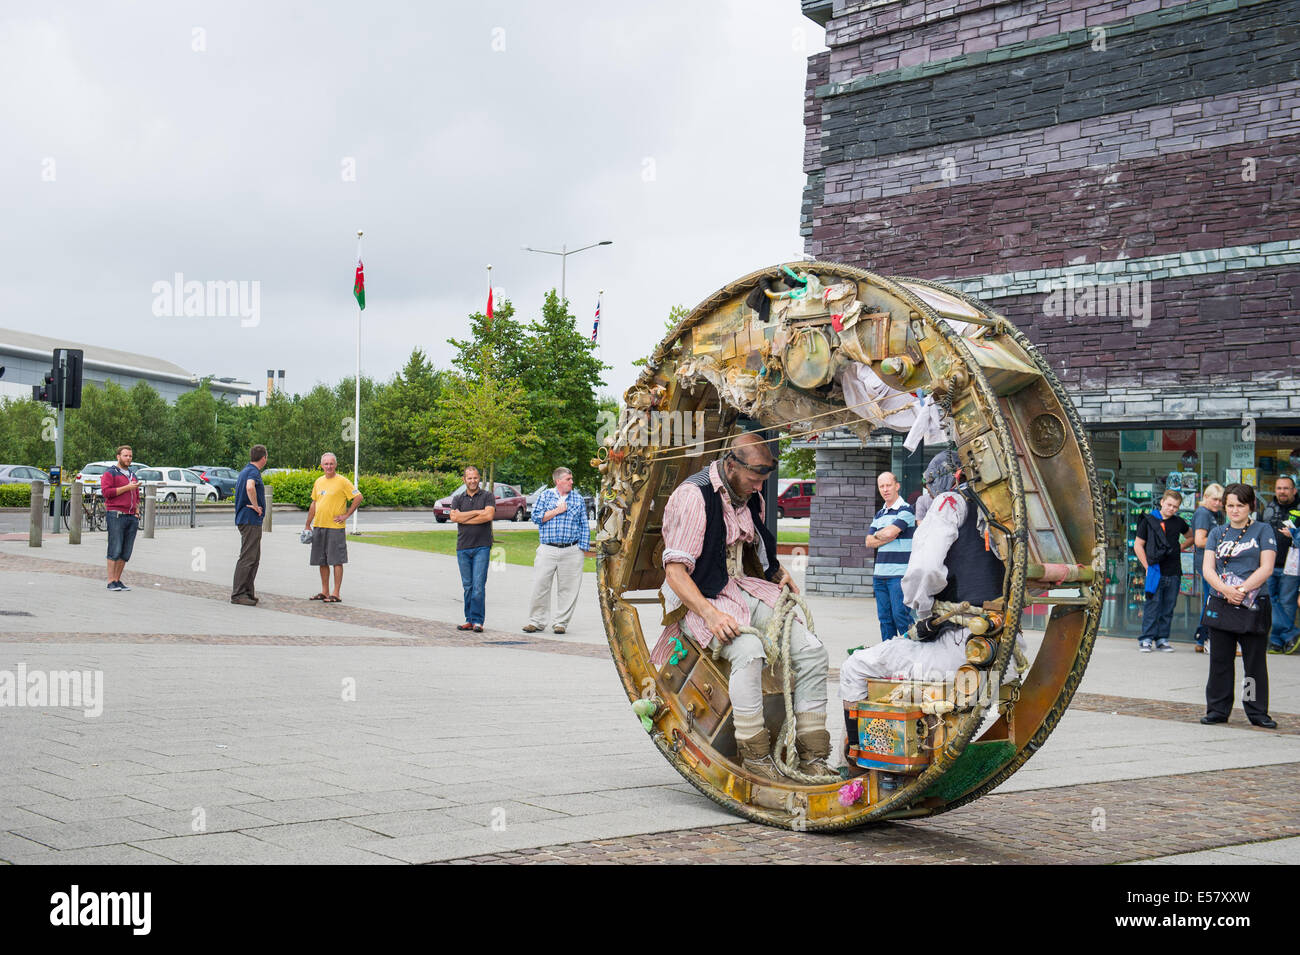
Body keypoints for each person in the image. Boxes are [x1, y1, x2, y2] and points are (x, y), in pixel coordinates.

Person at [651, 432, 831, 781]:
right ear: (731, 465)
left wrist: (778, 572)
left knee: (812, 651)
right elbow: (675, 573)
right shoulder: (693, 496)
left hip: (740, 589)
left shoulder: (750, 495)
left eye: (763, 481)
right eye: (754, 479)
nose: (758, 488)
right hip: (701, 600)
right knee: (748, 650)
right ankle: (756, 758)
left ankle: (813, 756)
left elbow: (754, 547)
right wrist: (711, 614)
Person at [840, 449, 1010, 711]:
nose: (929, 493)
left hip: (958, 651)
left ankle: (855, 749)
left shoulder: (950, 502)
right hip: (1006, 653)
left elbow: (925, 570)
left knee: (855, 666)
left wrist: (923, 611)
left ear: (943, 479)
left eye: (930, 486)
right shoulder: (999, 509)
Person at [1201, 483, 1277, 728]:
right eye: (1230, 505)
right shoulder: (1216, 532)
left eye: (1240, 506)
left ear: (1250, 506)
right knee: (1220, 661)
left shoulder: (1263, 530)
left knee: (1253, 663)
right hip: (1222, 602)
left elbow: (1266, 567)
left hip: (1254, 603)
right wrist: (1226, 590)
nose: (1234, 510)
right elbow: (1207, 568)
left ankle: (1255, 711)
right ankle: (1217, 709)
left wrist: (1242, 591)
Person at [524, 467, 590, 635]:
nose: (572, 482)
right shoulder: (545, 496)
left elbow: (584, 525)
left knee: (568, 589)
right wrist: (556, 511)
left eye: (571, 478)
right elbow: (536, 518)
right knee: (540, 585)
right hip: (548, 549)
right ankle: (536, 621)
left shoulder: (578, 499)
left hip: (571, 550)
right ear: (558, 481)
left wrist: (581, 548)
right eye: (568, 479)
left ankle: (561, 623)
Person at [1132, 489, 1192, 652]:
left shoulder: (1179, 522)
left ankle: (1162, 639)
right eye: (1169, 505)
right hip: (1155, 570)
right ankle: (1146, 639)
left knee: (1168, 607)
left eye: (1175, 507)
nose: (1171, 509)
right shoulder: (1149, 520)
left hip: (1174, 571)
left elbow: (1191, 537)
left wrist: (1179, 547)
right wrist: (1147, 566)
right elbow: (1138, 545)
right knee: (1152, 606)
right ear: (1162, 502)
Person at [303, 452, 362, 603]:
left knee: (336, 560)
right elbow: (314, 503)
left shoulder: (342, 481)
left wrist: (346, 515)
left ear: (335, 465)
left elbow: (358, 497)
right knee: (321, 560)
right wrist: (308, 524)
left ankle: (336, 593)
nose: (328, 466)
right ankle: (324, 591)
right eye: (326, 464)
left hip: (335, 527)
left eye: (331, 464)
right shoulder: (319, 482)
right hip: (319, 526)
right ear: (321, 465)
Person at [866, 471, 916, 641]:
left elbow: (891, 532)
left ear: (897, 486)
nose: (885, 489)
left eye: (888, 485)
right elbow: (868, 542)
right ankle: (889, 660)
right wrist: (886, 535)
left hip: (899, 575)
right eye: (882, 486)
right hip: (880, 575)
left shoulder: (907, 510)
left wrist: (882, 535)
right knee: (885, 621)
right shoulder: (880, 514)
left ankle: (910, 656)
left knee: (901, 617)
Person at [450, 465, 495, 632]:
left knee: (478, 585)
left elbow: (489, 515)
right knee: (467, 586)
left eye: (475, 478)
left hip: (482, 546)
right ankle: (468, 619)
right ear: (464, 480)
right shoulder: (458, 498)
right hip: (463, 547)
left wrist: (464, 517)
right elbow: (454, 517)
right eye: (469, 478)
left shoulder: (487, 496)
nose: (473, 481)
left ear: (479, 479)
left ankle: (478, 621)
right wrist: (477, 513)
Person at [1260, 476, 1300, 653]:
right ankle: (1290, 635)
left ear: (1294, 490)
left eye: (1286, 488)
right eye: (1279, 488)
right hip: (1268, 564)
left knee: (1287, 603)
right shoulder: (1268, 509)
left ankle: (1276, 642)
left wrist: (1294, 536)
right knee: (1269, 601)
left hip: (1291, 566)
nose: (1282, 491)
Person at [99, 445, 141, 591]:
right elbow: (107, 492)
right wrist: (127, 488)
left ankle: (117, 580)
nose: (128, 458)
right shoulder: (110, 473)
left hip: (131, 516)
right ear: (118, 456)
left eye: (130, 456)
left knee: (126, 551)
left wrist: (137, 510)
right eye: (125, 455)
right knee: (115, 549)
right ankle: (110, 581)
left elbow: (136, 496)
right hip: (116, 514)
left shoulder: (132, 475)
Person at [231, 444, 268, 606]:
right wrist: (255, 505)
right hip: (250, 520)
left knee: (254, 557)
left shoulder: (245, 470)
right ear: (264, 458)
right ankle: (238, 594)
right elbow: (250, 487)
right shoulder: (253, 472)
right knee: (248, 557)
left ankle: (247, 591)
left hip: (246, 519)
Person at [1191, 484, 1225, 652]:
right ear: (1206, 497)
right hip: (1206, 563)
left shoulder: (1213, 513)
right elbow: (1199, 540)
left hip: (1211, 562)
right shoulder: (1204, 513)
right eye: (1214, 499)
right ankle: (1206, 638)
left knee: (1211, 600)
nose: (1218, 503)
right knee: (1212, 601)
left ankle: (1202, 639)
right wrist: (1224, 543)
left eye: (1220, 500)